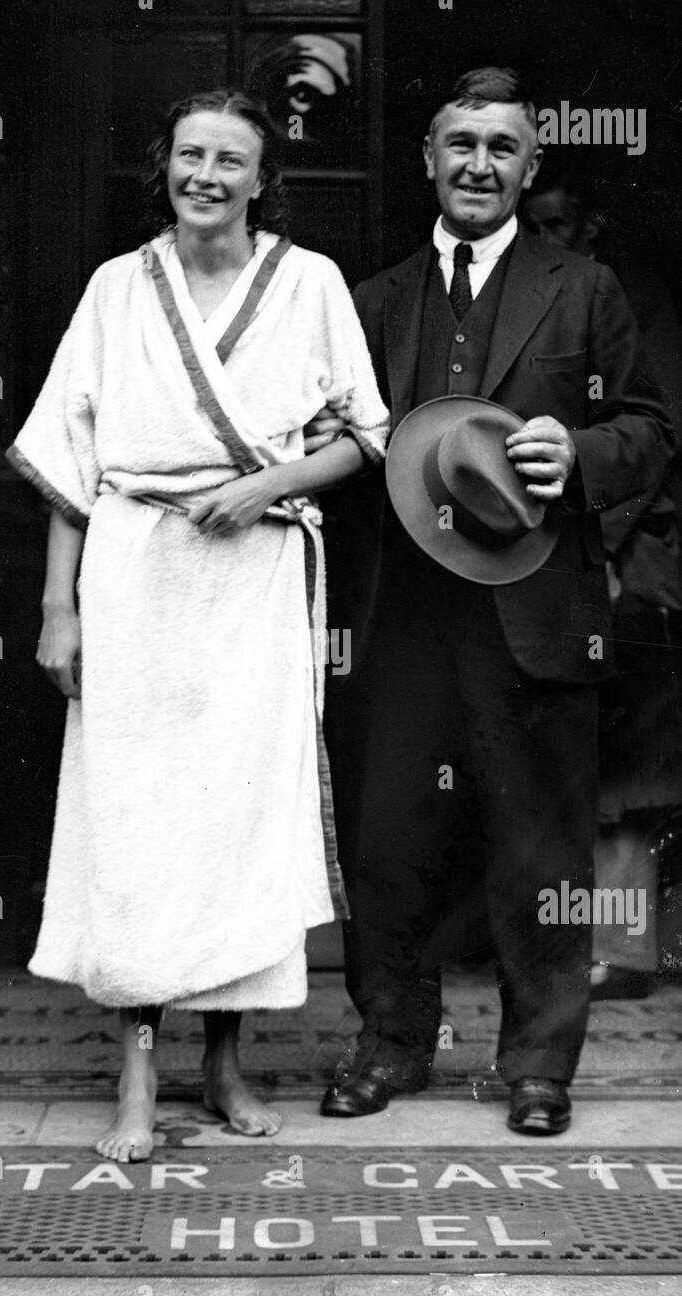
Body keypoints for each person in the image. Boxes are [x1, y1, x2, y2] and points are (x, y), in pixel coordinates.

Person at [6, 89, 388, 1159]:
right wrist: (56, 608)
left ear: (265, 179)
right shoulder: (116, 290)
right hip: (138, 574)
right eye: (189, 155)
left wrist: (268, 488)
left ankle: (225, 1063)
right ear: (162, 166)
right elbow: (69, 466)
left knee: (237, 820)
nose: (206, 176)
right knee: (139, 819)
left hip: (253, 578)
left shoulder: (308, 284)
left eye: (231, 160)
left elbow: (366, 434)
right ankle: (136, 1070)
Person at [317, 66, 673, 1134]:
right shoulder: (368, 300)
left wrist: (582, 448)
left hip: (537, 612)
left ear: (531, 164)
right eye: (462, 144)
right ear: (430, 159)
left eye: (502, 148)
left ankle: (538, 1066)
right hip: (401, 619)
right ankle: (390, 1043)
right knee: (389, 843)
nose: (480, 165)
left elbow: (652, 428)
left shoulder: (585, 289)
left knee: (540, 851)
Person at [523, 169, 682, 1000]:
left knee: (628, 768)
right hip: (562, 564)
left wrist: (605, 555)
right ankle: (580, 941)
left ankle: (623, 950)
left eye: (557, 223)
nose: (544, 239)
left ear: (591, 226)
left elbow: (652, 437)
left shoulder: (629, 297)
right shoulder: (540, 297)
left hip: (629, 563)